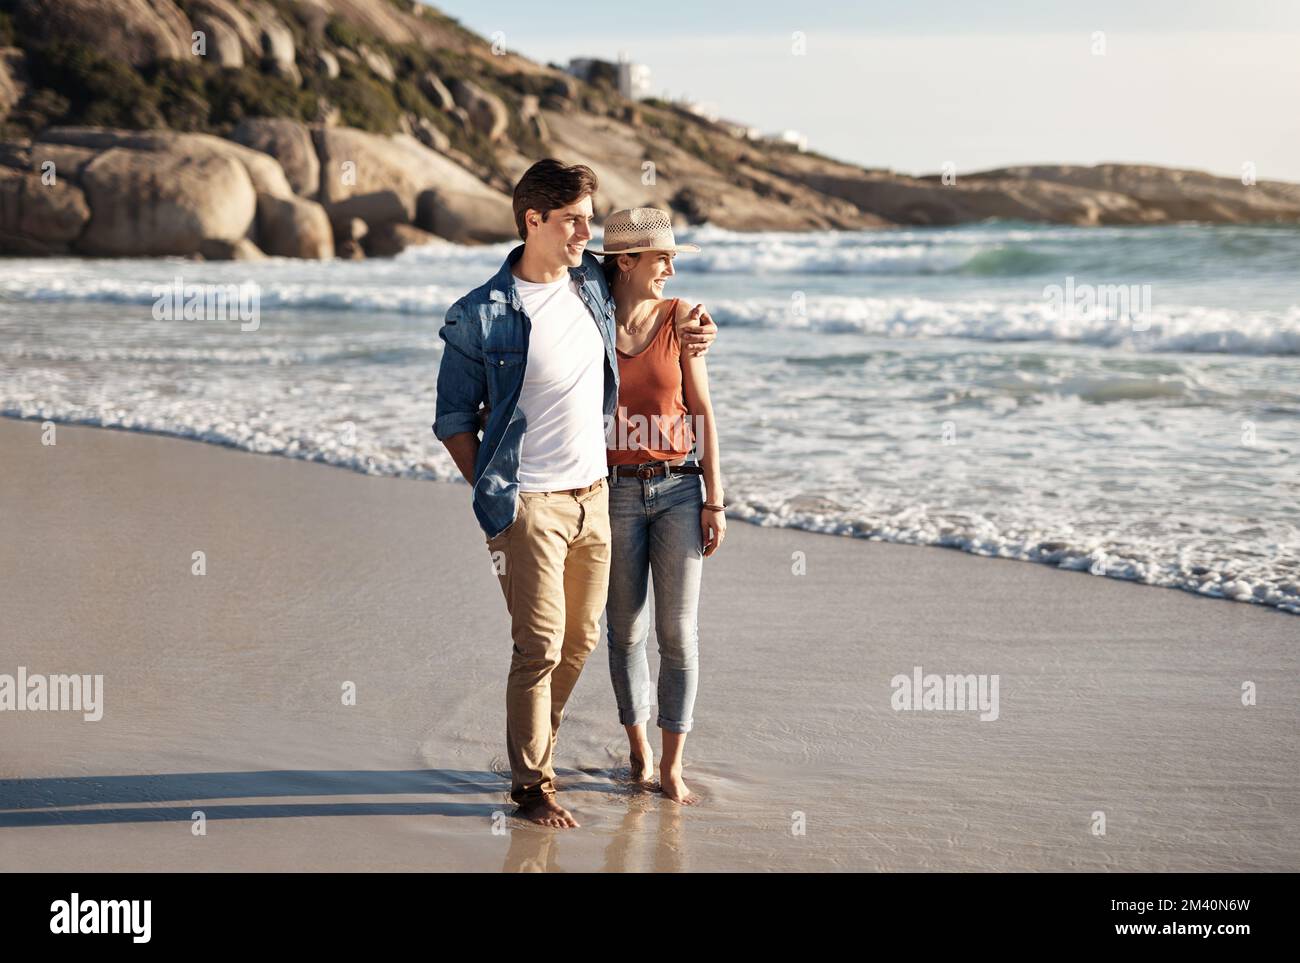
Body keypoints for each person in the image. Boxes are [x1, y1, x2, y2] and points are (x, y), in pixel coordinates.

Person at [432, 163, 716, 828]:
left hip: (597, 495)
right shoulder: (481, 313)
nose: (587, 233)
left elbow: (654, 297)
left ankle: (534, 745)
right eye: (573, 221)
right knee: (540, 642)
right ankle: (532, 784)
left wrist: (699, 325)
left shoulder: (591, 281)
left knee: (583, 638)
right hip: (531, 503)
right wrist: (499, 497)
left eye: (589, 219)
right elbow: (452, 420)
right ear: (533, 220)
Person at [594, 208, 726, 806]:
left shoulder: (683, 321)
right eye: (661, 258)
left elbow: (701, 411)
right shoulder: (588, 318)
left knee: (677, 633)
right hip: (612, 492)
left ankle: (672, 765)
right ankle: (638, 748)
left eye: (673, 258)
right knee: (623, 632)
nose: (671, 269)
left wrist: (715, 499)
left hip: (678, 489)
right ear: (625, 262)